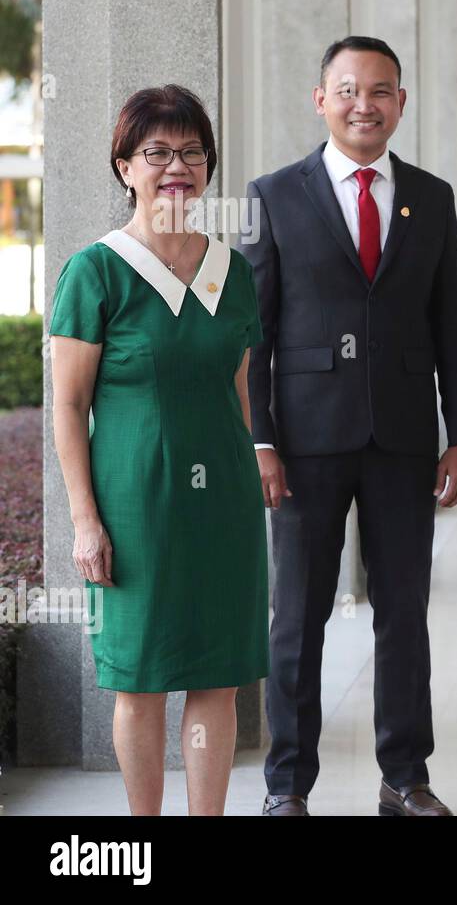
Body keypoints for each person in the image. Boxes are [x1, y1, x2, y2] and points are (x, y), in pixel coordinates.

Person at [242, 36, 457, 817]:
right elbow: (256, 332)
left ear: (400, 104)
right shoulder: (274, 195)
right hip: (305, 443)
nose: (364, 104)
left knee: (403, 614)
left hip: (406, 441)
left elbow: (452, 324)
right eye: (347, 89)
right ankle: (287, 786)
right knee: (297, 621)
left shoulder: (432, 196)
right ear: (321, 100)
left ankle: (405, 777)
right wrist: (261, 439)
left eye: (380, 91)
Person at [49, 85, 267, 815]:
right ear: (125, 167)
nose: (178, 166)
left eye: (192, 152)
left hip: (225, 506)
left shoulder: (232, 273)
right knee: (139, 681)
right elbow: (70, 406)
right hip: (133, 509)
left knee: (218, 677)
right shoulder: (96, 272)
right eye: (158, 152)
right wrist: (85, 520)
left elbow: (237, 393)